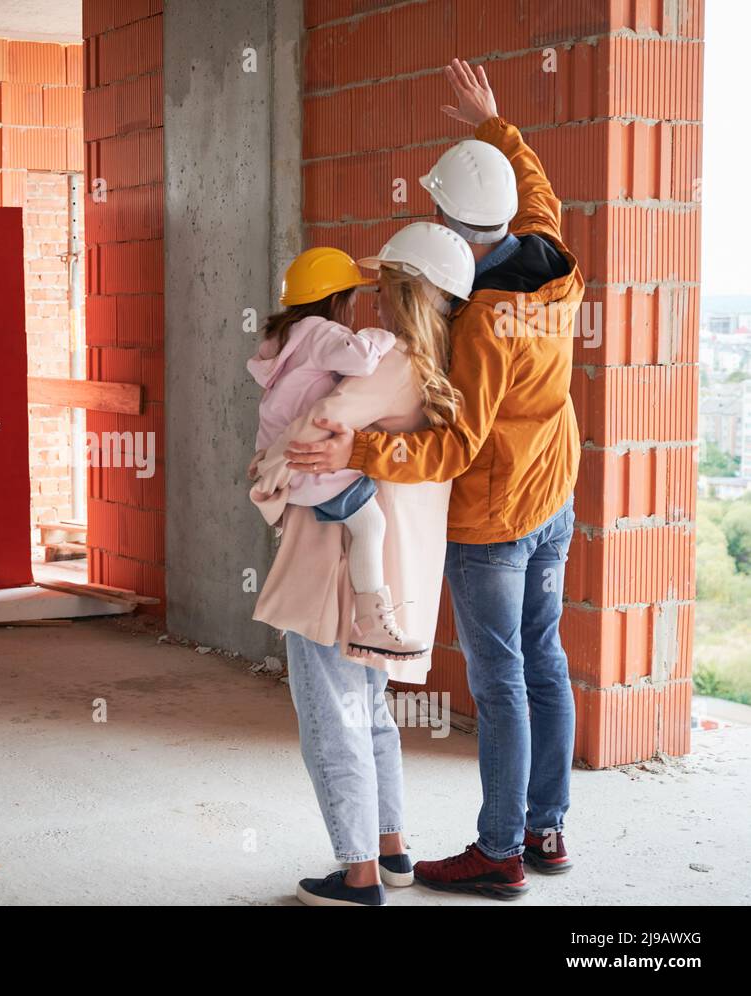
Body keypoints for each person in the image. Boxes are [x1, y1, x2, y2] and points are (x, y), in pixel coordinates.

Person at [288, 60, 584, 898]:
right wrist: (496, 126)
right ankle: (546, 827)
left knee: (502, 684)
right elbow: (534, 189)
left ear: (456, 230)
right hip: (555, 495)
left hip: (498, 522)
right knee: (545, 659)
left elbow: (452, 450)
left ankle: (500, 853)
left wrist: (362, 452)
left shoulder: (485, 324)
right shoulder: (552, 257)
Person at [250, 222, 475, 906]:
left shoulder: (383, 365)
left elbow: (311, 436)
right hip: (391, 574)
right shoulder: (439, 368)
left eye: (383, 286)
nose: (370, 299)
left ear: (404, 291)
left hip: (333, 578)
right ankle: (390, 850)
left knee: (330, 715)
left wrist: (263, 478)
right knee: (370, 708)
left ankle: (357, 875)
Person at [248, 246, 425, 660]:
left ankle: (367, 620)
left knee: (357, 529)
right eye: (354, 300)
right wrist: (381, 338)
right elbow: (361, 361)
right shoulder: (322, 333)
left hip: (290, 471)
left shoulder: (283, 338)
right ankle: (373, 623)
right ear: (337, 301)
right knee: (370, 526)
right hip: (315, 466)